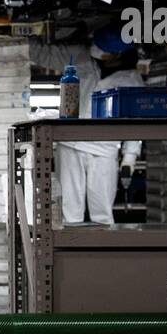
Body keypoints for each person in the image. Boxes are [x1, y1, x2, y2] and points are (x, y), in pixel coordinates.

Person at [31, 28, 144, 224]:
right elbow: (45, 54)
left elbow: (136, 122)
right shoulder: (80, 57)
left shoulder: (131, 81)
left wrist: (130, 157)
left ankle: (100, 251)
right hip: (70, 144)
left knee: (102, 212)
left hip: (105, 149)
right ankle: (69, 250)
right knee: (69, 210)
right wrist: (21, 39)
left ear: (117, 55)